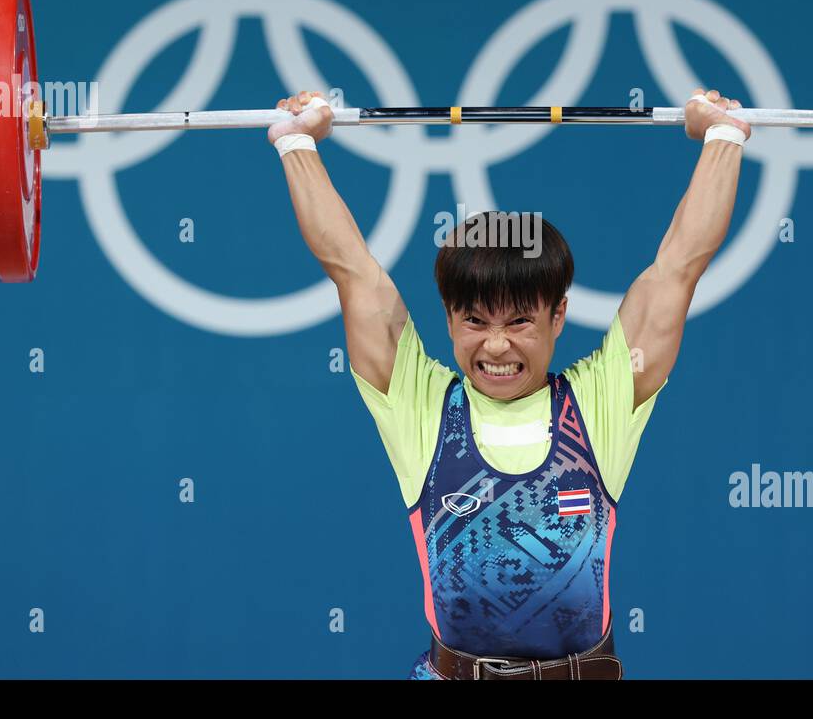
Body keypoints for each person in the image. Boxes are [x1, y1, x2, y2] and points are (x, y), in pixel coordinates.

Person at [270, 89, 749, 679]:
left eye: (519, 321)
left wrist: (722, 136)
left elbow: (680, 266)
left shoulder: (601, 401)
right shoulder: (418, 403)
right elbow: (351, 269)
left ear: (558, 316)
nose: (496, 346)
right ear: (449, 319)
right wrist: (296, 142)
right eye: (475, 321)